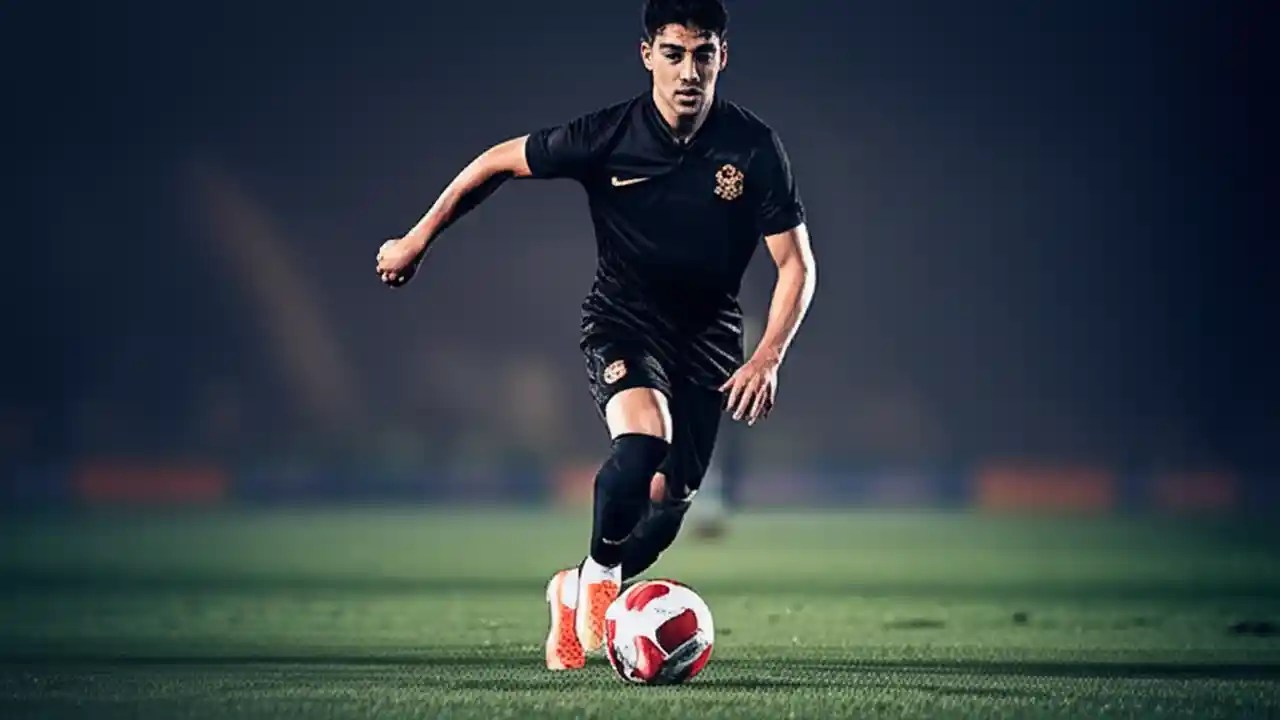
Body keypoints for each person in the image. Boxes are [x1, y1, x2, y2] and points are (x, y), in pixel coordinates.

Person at [374, 0, 817, 671]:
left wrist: (768, 355)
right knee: (644, 441)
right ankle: (603, 584)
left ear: (723, 56)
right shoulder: (608, 136)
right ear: (648, 56)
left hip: (709, 340)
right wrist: (416, 239)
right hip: (623, 321)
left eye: (703, 54)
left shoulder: (753, 148)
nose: (688, 71)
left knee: (668, 513)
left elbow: (796, 264)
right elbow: (496, 162)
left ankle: (572, 587)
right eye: (673, 53)